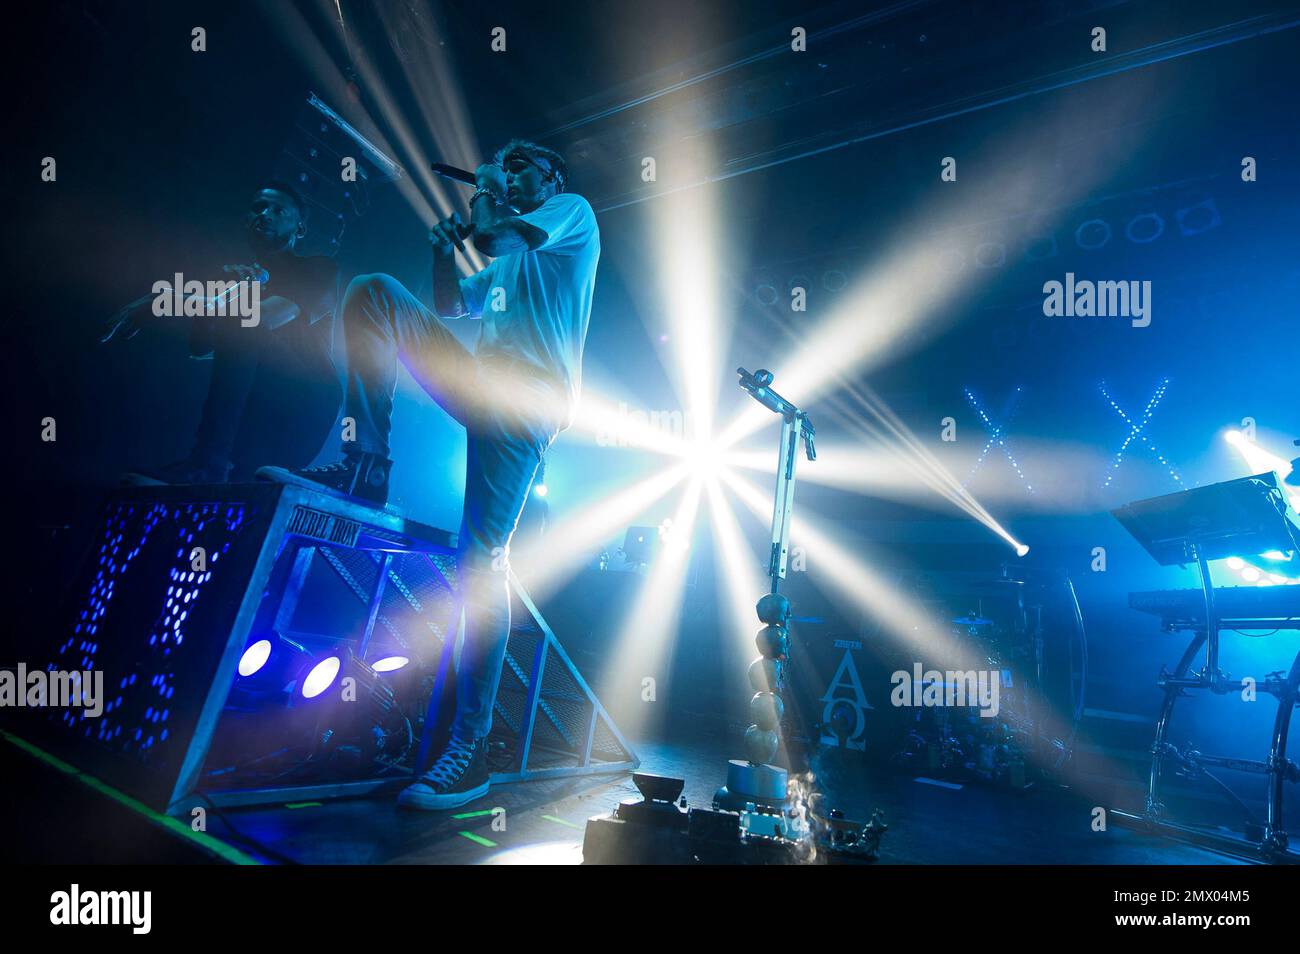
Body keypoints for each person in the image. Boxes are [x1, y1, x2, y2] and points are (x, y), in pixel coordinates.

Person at [259, 140, 600, 810]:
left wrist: (484, 197)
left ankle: (470, 750)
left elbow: (504, 235)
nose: (509, 170)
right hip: (484, 384)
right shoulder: (504, 246)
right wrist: (444, 250)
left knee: (482, 565)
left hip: (528, 400)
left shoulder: (570, 211)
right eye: (503, 163)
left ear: (550, 176)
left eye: (522, 163)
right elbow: (450, 306)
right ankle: (366, 462)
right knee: (373, 295)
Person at [106, 182, 340, 483]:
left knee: (244, 324)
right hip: (251, 422)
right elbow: (200, 347)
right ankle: (208, 464)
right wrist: (231, 292)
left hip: (303, 408)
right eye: (258, 208)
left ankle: (206, 462)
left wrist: (164, 301)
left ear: (300, 228)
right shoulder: (237, 278)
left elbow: (264, 318)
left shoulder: (319, 269)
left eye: (278, 210)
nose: (265, 215)